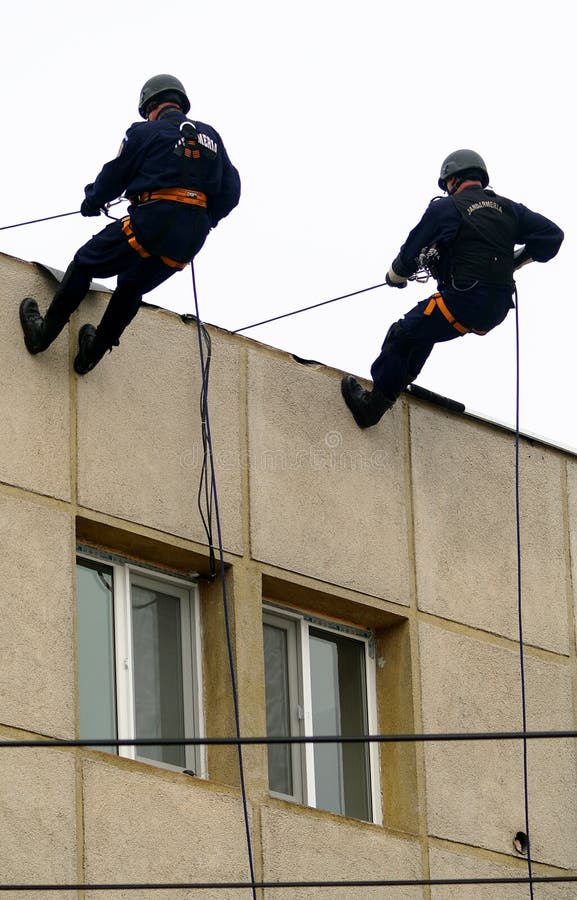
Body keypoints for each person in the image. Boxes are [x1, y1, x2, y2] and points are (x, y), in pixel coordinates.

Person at [19, 74, 241, 374]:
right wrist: (202, 218)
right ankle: (91, 353)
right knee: (132, 285)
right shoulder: (212, 137)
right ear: (180, 103)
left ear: (151, 105)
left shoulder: (145, 131)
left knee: (85, 262)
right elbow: (231, 192)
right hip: (191, 238)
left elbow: (116, 174)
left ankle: (42, 335)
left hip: (153, 221)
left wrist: (93, 200)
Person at [341, 149, 564, 428]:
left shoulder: (445, 208)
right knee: (422, 331)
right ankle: (399, 381)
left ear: (452, 180)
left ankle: (372, 407)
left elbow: (409, 254)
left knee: (401, 335)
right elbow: (553, 236)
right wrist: (517, 261)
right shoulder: (510, 209)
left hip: (463, 300)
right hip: (496, 310)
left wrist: (395, 276)